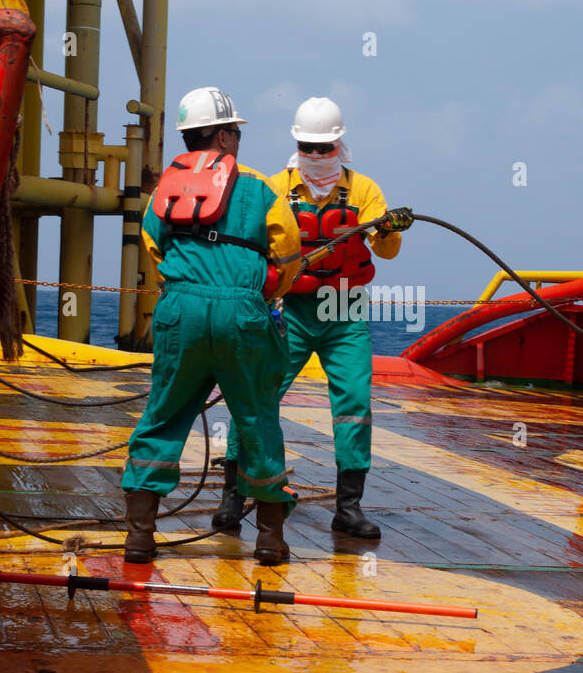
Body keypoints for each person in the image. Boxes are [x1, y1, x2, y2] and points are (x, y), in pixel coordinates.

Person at [214, 97, 413, 541]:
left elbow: (387, 249)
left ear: (339, 144)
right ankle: (233, 493)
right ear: (297, 143)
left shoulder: (364, 191)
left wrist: (389, 228)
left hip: (345, 311)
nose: (317, 156)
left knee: (354, 406)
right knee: (258, 395)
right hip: (291, 311)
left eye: (325, 148)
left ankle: (348, 508)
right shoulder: (272, 188)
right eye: (309, 147)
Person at [122, 86, 302, 565]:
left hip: (179, 308)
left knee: (162, 416)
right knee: (258, 419)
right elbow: (288, 254)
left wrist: (187, 284)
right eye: (235, 132)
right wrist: (266, 289)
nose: (237, 141)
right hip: (242, 315)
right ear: (223, 135)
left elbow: (153, 246)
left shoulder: (164, 187)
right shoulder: (261, 187)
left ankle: (139, 536)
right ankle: (269, 539)